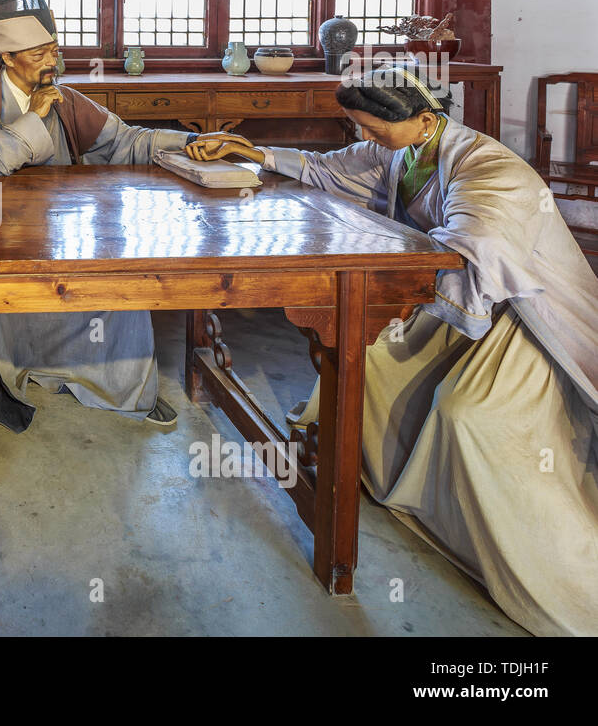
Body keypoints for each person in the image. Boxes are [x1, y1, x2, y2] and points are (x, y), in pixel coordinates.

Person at [189, 64, 598, 636]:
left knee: (469, 415)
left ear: (426, 119)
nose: (365, 139)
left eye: (373, 129)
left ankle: (527, 552)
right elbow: (324, 168)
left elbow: (473, 257)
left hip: (515, 311)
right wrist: (250, 151)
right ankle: (384, 479)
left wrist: (380, 277)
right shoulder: (399, 148)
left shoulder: (490, 171)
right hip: (448, 300)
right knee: (374, 365)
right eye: (357, 127)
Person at [0, 0, 247, 454]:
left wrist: (186, 143)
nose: (52, 60)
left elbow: (129, 141)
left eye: (54, 50)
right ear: (8, 56)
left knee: (122, 284)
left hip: (60, 226)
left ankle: (126, 387)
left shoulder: (68, 100)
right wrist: (34, 117)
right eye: (41, 53)